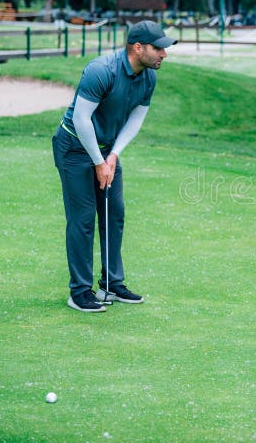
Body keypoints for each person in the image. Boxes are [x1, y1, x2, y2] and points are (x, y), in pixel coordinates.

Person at [52, 20, 177, 312]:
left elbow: (136, 119)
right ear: (138, 48)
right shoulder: (101, 70)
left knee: (113, 213)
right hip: (74, 147)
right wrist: (98, 161)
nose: (164, 54)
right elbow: (82, 120)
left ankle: (110, 283)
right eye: (158, 48)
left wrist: (113, 155)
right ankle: (80, 292)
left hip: (105, 150)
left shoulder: (149, 77)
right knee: (83, 218)